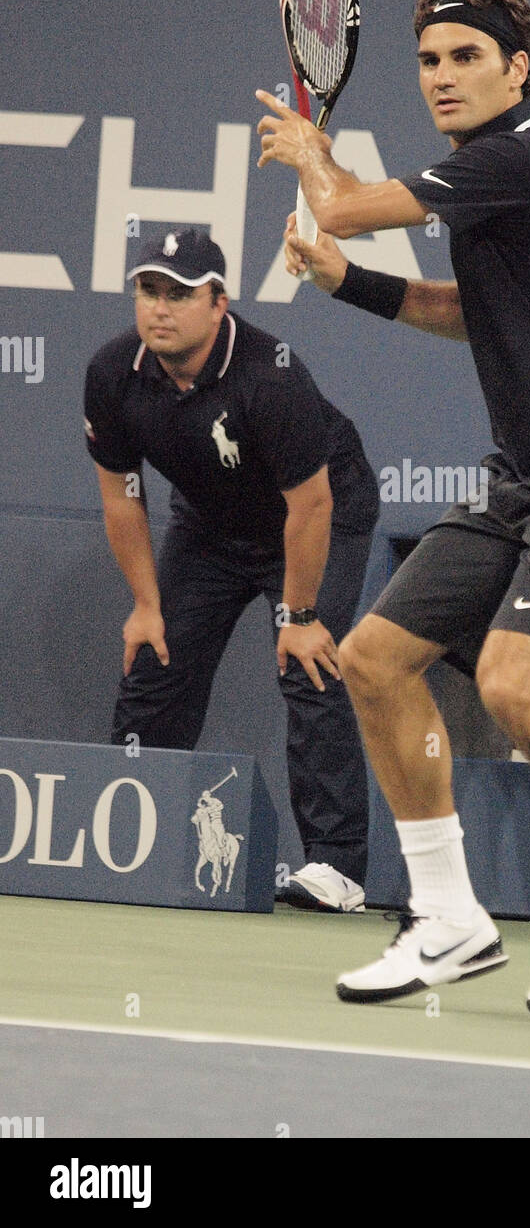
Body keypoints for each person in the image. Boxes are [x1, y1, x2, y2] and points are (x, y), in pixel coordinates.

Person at [255, 0, 530, 1018]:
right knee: (371, 658)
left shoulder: (523, 156)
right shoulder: (486, 175)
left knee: (509, 682)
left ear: (517, 69)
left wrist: (314, 159)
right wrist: (342, 281)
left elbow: (349, 207)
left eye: (464, 58)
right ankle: (449, 916)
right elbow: (460, 307)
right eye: (428, 61)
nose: (442, 76)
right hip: (526, 483)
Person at [84, 228, 380, 912]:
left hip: (316, 512)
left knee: (308, 665)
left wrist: (301, 616)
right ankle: (129, 835)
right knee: (156, 656)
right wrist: (145, 604)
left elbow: (310, 506)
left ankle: (336, 869)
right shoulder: (111, 374)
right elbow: (121, 496)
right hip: (212, 523)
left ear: (218, 303)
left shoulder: (269, 376)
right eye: (148, 291)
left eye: (180, 294)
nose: (160, 308)